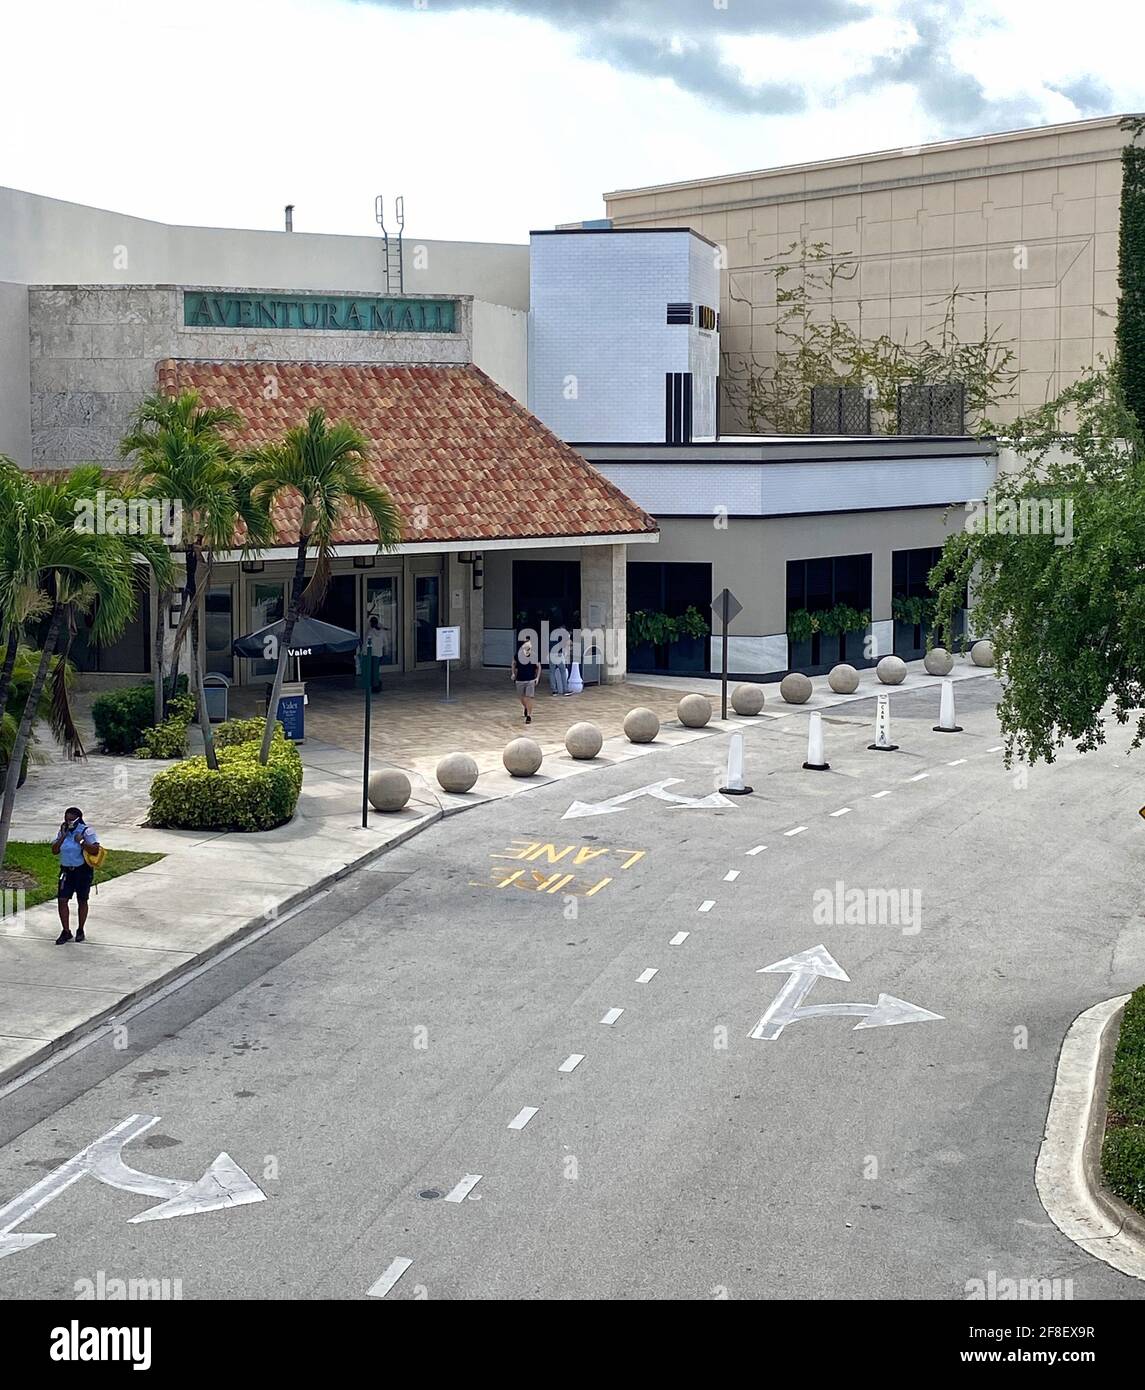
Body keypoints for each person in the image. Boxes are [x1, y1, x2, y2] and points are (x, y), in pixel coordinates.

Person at [51, 806, 100, 945]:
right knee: (62, 899)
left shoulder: (86, 831)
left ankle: (80, 929)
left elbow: (95, 849)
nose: (69, 822)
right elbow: (54, 850)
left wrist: (82, 842)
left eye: (72, 819)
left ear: (78, 819)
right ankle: (65, 931)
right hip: (66, 870)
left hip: (82, 871)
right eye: (67, 819)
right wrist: (63, 836)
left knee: (82, 900)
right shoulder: (63, 831)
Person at [512, 637, 539, 724]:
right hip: (520, 679)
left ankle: (529, 716)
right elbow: (513, 663)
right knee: (522, 697)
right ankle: (526, 707)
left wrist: (537, 677)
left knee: (529, 697)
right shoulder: (518, 655)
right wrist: (513, 673)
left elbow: (538, 666)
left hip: (530, 679)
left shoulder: (534, 655)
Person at [548, 623, 570, 697]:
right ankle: (565, 690)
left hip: (551, 654)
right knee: (563, 671)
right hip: (559, 654)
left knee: (552, 672)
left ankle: (554, 691)